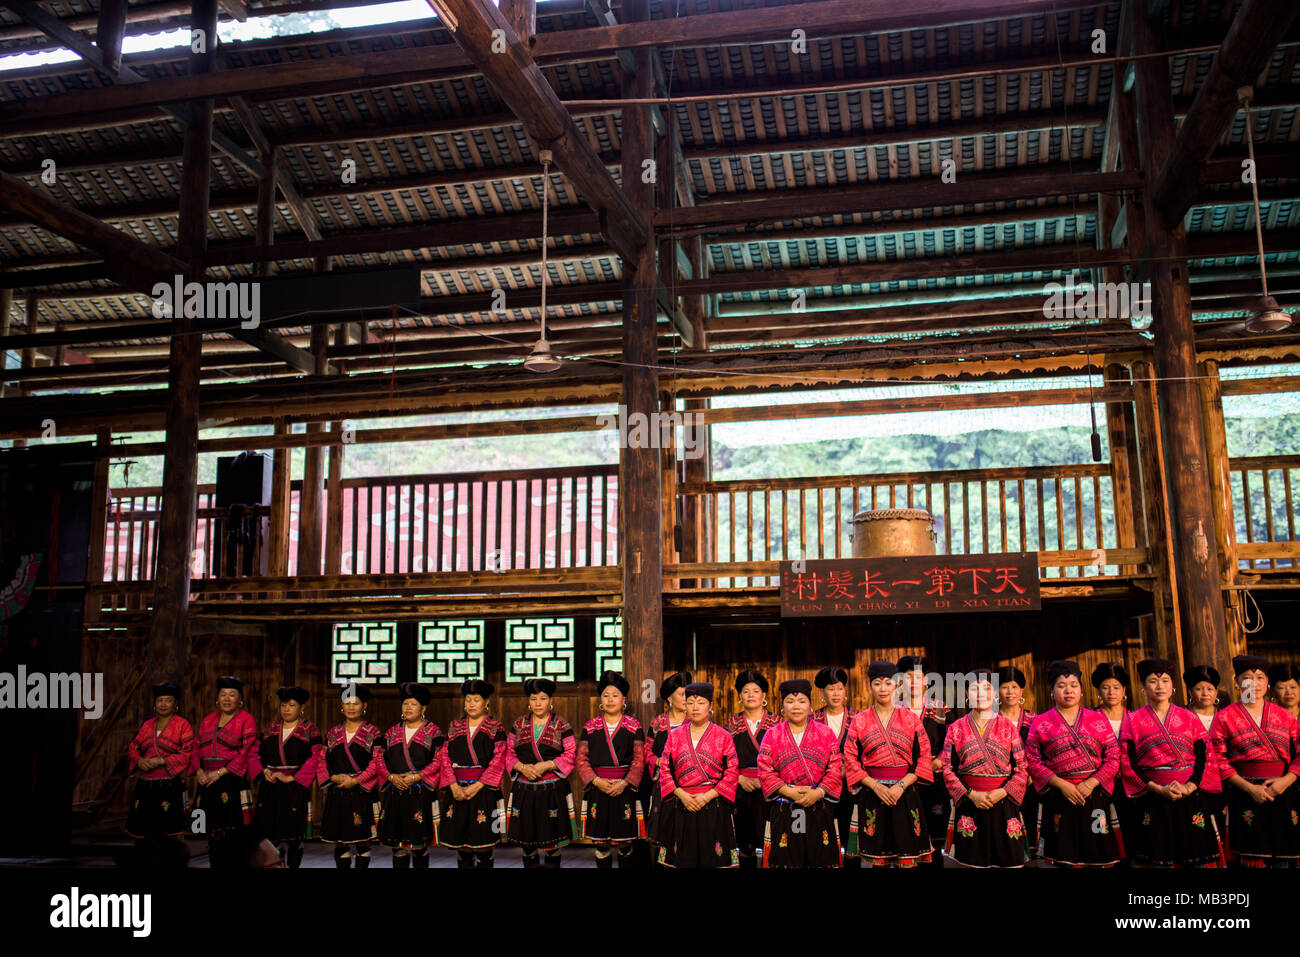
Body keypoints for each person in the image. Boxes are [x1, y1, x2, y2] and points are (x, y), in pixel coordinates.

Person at [1120, 658, 1224, 868]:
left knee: (1193, 858)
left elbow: (1206, 757)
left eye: (1165, 681)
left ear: (1173, 687)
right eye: (1153, 681)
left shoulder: (1189, 718)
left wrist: (1189, 786)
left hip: (1189, 796)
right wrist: (1157, 789)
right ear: (1143, 687)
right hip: (1153, 797)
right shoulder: (1133, 720)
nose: (1160, 687)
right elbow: (1127, 761)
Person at [1025, 660, 1123, 867]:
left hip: (1094, 796)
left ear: (1081, 691)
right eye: (1061, 686)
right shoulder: (1040, 722)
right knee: (1063, 858)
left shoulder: (1098, 719)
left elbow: (1113, 758)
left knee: (1099, 856)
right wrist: (1062, 785)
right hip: (1060, 796)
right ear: (1052, 692)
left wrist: (1090, 783)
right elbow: (1033, 761)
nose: (1068, 690)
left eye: (1074, 685)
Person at [1210, 655, 1300, 868]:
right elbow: (1218, 760)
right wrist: (1250, 789)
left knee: (1285, 857)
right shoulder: (1224, 717)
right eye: (1247, 678)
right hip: (1245, 794)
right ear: (1236, 681)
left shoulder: (1285, 716)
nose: (1254, 683)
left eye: (1260, 677)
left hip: (1284, 791)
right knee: (1253, 857)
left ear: (1267, 682)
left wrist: (1284, 782)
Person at [842, 660, 933, 868]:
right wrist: (876, 786)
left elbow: (924, 757)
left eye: (887, 683)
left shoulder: (911, 720)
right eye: (876, 683)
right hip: (873, 795)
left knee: (907, 861)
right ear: (870, 686)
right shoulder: (859, 720)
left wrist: (901, 786)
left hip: (906, 793)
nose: (882, 688)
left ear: (896, 685)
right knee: (878, 862)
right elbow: (850, 759)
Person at [941, 669, 1029, 868]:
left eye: (986, 688)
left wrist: (1001, 792)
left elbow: (1022, 768)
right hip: (970, 803)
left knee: (1007, 861)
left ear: (995, 693)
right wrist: (971, 795)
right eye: (974, 688)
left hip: (1004, 802)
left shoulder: (1008, 727)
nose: (980, 694)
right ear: (966, 694)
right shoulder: (955, 728)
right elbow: (947, 767)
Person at [757, 678, 842, 868]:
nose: (796, 706)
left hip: (818, 807)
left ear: (811, 707)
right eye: (790, 701)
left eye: (802, 701)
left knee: (818, 859)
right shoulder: (772, 735)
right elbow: (764, 770)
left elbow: (835, 768)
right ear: (782, 707)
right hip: (786, 808)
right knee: (790, 860)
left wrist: (818, 792)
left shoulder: (826, 733)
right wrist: (789, 792)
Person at [657, 681, 740, 868]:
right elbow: (664, 768)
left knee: (713, 860)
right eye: (690, 703)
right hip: (682, 804)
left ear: (710, 706)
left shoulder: (723, 736)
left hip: (713, 805)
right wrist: (682, 795)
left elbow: (732, 771)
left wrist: (706, 797)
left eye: (701, 703)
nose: (695, 708)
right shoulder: (674, 736)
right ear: (685, 706)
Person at [505, 677, 577, 868]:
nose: (538, 703)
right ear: (529, 701)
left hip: (552, 791)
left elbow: (571, 754)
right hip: (524, 790)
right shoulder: (519, 724)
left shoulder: (562, 725)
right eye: (533, 698)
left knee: (552, 844)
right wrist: (522, 768)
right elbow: (508, 754)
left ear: (551, 701)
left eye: (543, 698)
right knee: (527, 845)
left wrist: (546, 765)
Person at [577, 670, 645, 868]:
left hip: (624, 790)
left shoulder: (634, 726)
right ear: (600, 699)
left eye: (615, 695)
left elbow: (639, 759)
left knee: (624, 841)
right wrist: (596, 781)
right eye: (605, 695)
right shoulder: (590, 727)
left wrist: (624, 783)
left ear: (623, 698)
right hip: (598, 789)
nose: (610, 700)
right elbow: (581, 759)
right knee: (600, 842)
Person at [249, 686, 323, 869]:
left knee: (293, 836)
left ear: (301, 708)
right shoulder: (270, 728)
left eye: (291, 705)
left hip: (294, 788)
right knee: (270, 835)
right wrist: (263, 771)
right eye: (283, 705)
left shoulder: (310, 730)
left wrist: (293, 778)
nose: (286, 709)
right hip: (270, 786)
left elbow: (317, 756)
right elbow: (254, 753)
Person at [438, 678, 508, 868]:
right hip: (457, 791)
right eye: (468, 699)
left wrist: (477, 786)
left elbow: (499, 759)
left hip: (483, 791)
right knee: (462, 847)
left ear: (486, 702)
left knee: (483, 845)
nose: (471, 704)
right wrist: (453, 786)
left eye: (476, 699)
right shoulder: (454, 726)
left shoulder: (495, 727)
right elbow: (444, 757)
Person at [191, 676, 258, 869]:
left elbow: (247, 750)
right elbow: (196, 747)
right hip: (207, 781)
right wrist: (198, 771)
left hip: (231, 780)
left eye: (232, 695)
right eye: (223, 695)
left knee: (233, 831)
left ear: (240, 700)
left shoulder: (247, 720)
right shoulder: (208, 720)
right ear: (217, 699)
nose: (227, 699)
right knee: (212, 830)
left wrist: (220, 772)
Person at [378, 682, 444, 868]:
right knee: (397, 846)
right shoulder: (391, 732)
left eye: (413, 704)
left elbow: (439, 760)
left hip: (420, 794)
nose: (408, 708)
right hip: (395, 792)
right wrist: (391, 777)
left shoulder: (434, 732)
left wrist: (417, 777)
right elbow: (379, 759)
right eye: (405, 703)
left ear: (423, 708)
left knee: (418, 845)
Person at [319, 683, 385, 868]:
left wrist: (356, 780)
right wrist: (332, 777)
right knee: (340, 840)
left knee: (363, 839)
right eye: (347, 703)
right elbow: (322, 760)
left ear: (364, 706)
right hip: (337, 790)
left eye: (355, 703)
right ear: (341, 706)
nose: (351, 707)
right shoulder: (332, 733)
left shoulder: (373, 733)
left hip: (362, 792)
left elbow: (377, 763)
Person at [125, 682, 194, 844]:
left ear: (176, 704)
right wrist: (139, 760)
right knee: (143, 831)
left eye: (168, 700)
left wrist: (161, 760)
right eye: (160, 700)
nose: (163, 704)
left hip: (169, 785)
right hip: (145, 784)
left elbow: (188, 752)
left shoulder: (182, 725)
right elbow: (133, 747)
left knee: (168, 832)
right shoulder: (147, 725)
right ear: (155, 704)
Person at [898, 654, 949, 870]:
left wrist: (934, 764)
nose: (914, 682)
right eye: (908, 677)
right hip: (902, 783)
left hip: (934, 781)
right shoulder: (893, 710)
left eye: (918, 677)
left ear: (927, 680)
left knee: (934, 840)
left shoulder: (941, 709)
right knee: (907, 837)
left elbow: (950, 746)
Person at [726, 668, 776, 869]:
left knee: (769, 840)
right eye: (746, 691)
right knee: (744, 844)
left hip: (770, 789)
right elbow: (726, 758)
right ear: (740, 696)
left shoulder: (776, 722)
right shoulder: (732, 723)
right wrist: (739, 779)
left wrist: (765, 780)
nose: (751, 696)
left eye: (755, 691)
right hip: (741, 788)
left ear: (764, 695)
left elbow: (783, 759)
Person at [813, 665, 860, 867]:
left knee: (852, 839)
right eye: (830, 688)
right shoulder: (812, 719)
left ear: (845, 691)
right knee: (825, 837)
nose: (835, 693)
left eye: (839, 688)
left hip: (852, 787)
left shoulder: (858, 718)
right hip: (822, 787)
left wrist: (847, 768)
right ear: (823, 692)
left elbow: (866, 752)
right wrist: (830, 772)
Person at [645, 670, 690, 854]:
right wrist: (659, 762)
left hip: (689, 785)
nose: (686, 698)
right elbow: (646, 751)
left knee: (686, 833)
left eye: (689, 693)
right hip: (664, 786)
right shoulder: (658, 723)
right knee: (663, 834)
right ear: (670, 698)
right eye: (681, 694)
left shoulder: (694, 721)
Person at [998, 665, 1037, 858]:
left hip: (1028, 785)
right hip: (998, 788)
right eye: (1005, 686)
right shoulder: (991, 720)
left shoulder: (1034, 720)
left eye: (1014, 687)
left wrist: (1028, 777)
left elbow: (1041, 754)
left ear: (1021, 691)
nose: (1010, 692)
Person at [1184, 664, 1226, 839]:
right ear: (1190, 692)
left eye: (1210, 689)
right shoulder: (1182, 717)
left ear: (1216, 692)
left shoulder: (1226, 716)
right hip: (1192, 785)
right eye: (1199, 689)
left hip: (1225, 783)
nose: (1205, 693)